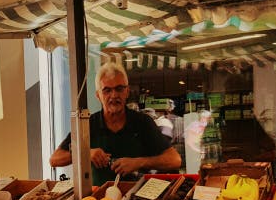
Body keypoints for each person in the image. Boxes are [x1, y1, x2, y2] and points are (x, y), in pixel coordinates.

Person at [49, 63, 182, 185]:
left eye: (119, 89)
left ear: (127, 92)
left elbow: (174, 160)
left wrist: (138, 162)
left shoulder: (142, 122)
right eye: (107, 90)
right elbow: (55, 159)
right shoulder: (88, 124)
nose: (114, 95)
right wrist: (86, 153)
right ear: (98, 95)